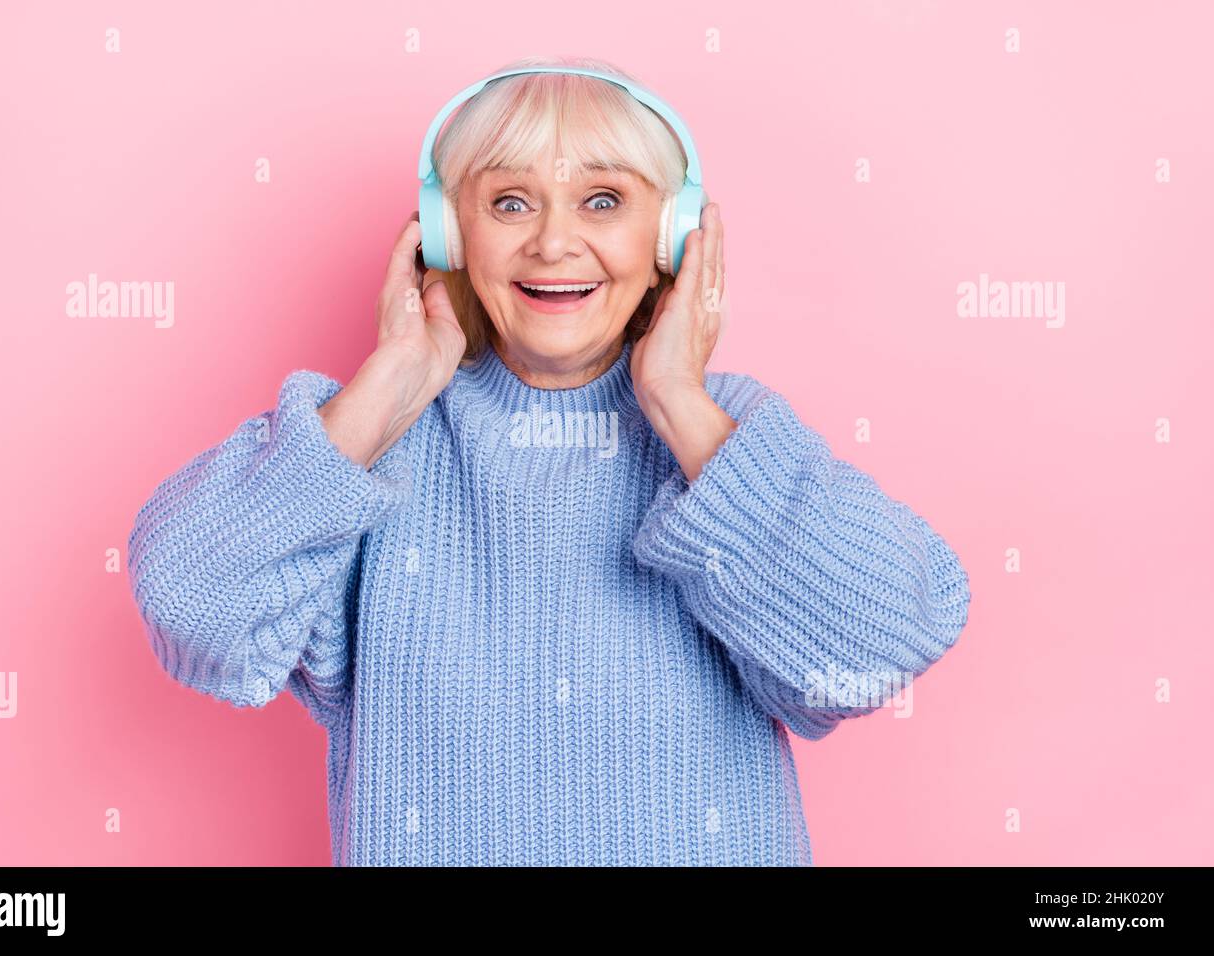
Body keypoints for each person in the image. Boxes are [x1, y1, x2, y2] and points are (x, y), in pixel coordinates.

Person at [127, 54, 971, 866]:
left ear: (671, 240)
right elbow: (189, 604)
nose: (554, 244)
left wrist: (678, 400)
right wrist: (386, 390)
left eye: (602, 201)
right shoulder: (372, 449)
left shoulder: (726, 439)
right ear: (450, 235)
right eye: (510, 204)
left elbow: (882, 647)